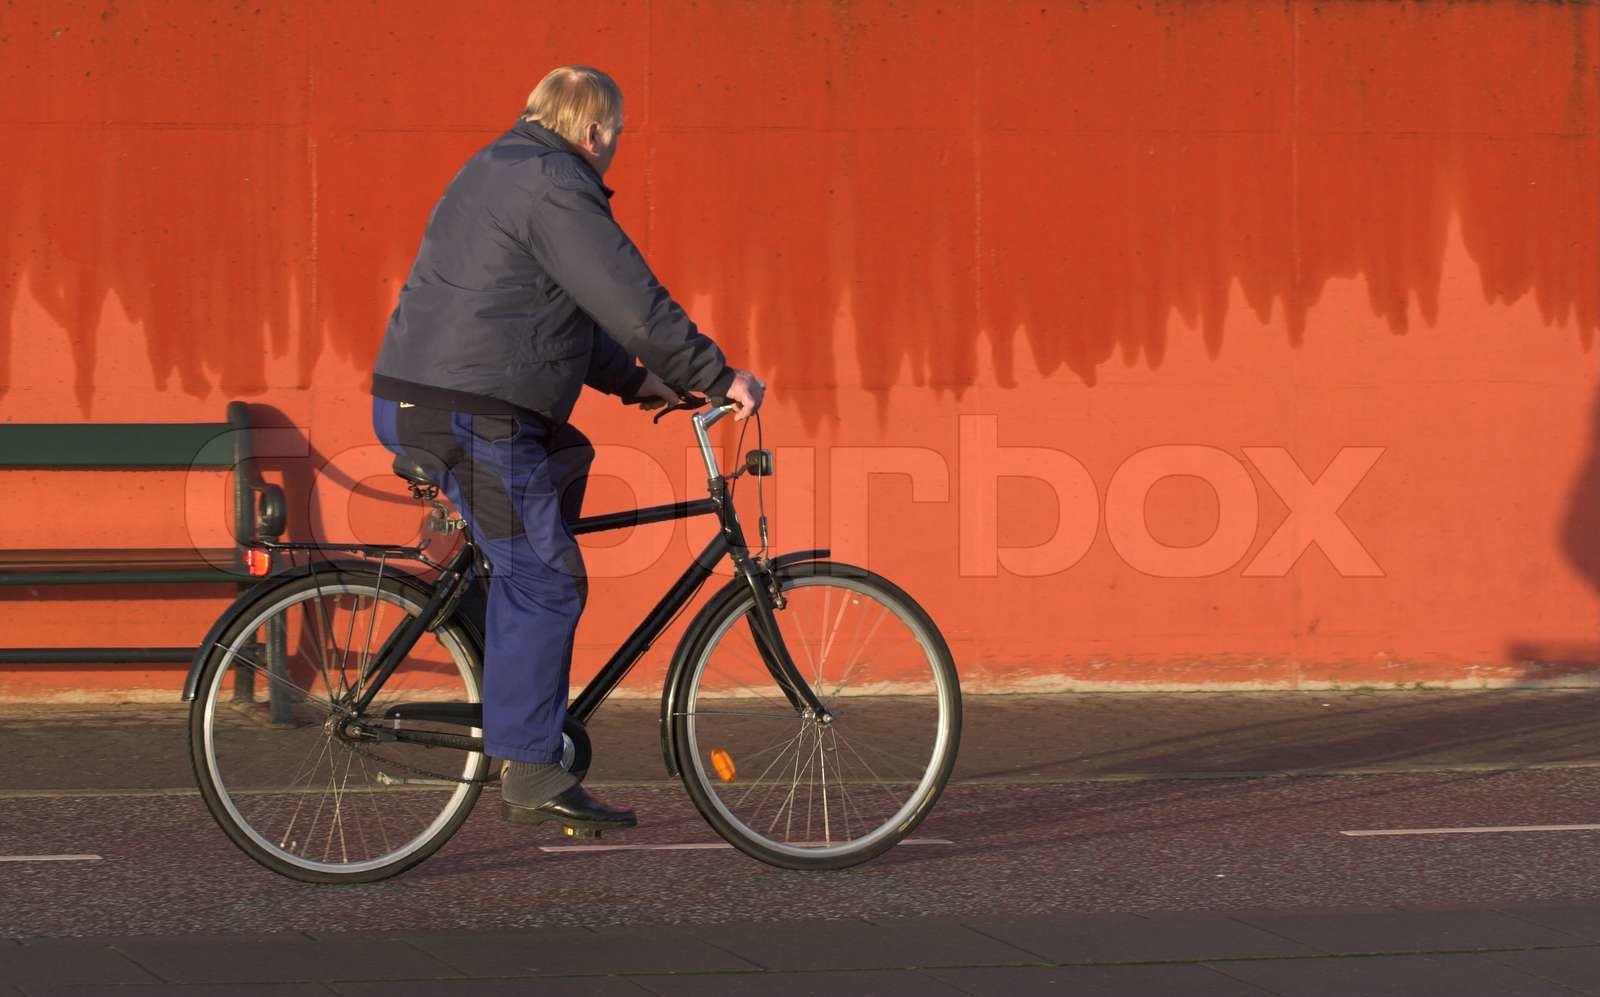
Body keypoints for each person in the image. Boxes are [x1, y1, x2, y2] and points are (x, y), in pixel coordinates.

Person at [369, 65, 765, 834]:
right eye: (615, 135)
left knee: (565, 461)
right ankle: (530, 764)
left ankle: (494, 644)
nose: (613, 148)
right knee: (549, 576)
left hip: (443, 400)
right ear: (594, 131)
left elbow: (546, 312)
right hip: (468, 413)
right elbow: (626, 296)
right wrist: (714, 375)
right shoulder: (557, 183)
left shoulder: (503, 165)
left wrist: (637, 383)